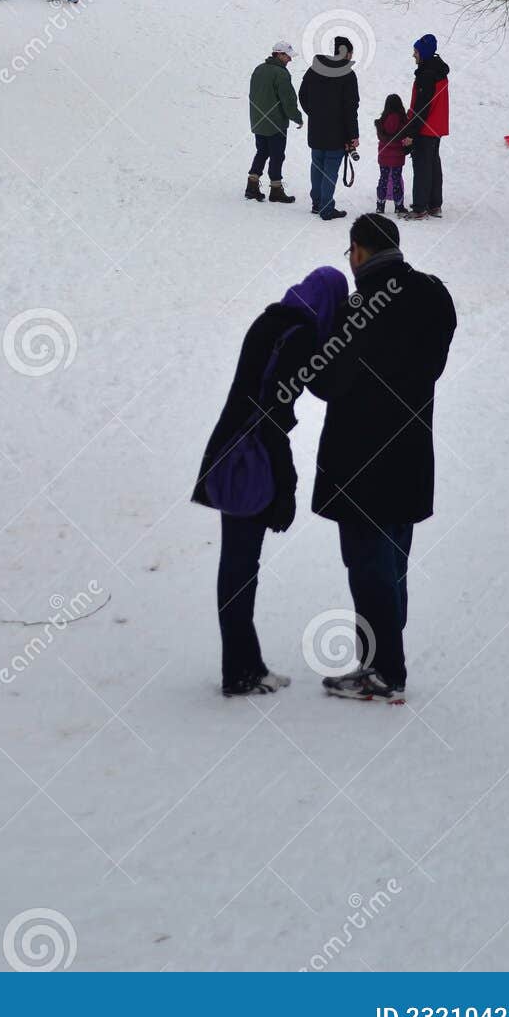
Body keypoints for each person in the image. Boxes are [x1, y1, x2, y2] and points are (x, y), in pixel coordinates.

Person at [307, 213, 457, 702]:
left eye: (350, 252)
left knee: (367, 565)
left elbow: (325, 381)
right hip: (410, 450)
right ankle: (385, 654)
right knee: (393, 560)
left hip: (361, 458)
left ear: (360, 251)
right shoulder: (434, 295)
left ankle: (383, 669)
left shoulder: (357, 308)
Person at [193, 267, 350, 696]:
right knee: (242, 567)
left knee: (237, 565)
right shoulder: (299, 336)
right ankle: (241, 672)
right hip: (252, 456)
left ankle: (245, 664)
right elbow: (288, 405)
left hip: (230, 446)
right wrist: (286, 484)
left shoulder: (269, 321)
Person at [298, 36, 360, 220]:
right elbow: (351, 108)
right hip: (337, 132)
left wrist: (314, 114)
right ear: (347, 53)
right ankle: (326, 208)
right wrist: (353, 135)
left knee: (317, 165)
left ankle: (317, 203)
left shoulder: (314, 70)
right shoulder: (347, 75)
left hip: (316, 129)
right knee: (330, 167)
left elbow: (302, 95)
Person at [247, 41, 303, 203]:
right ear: (278, 54)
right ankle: (276, 190)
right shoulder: (281, 74)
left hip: (258, 121)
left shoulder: (258, 69)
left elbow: (253, 95)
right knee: (277, 155)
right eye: (287, 56)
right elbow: (288, 100)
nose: (290, 60)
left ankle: (252, 185)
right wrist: (296, 117)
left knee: (262, 152)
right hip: (275, 123)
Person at [405, 34, 450, 218]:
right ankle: (434, 204)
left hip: (425, 127)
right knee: (433, 164)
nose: (413, 55)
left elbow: (421, 108)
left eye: (416, 51)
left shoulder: (426, 75)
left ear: (423, 53)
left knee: (422, 166)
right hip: (436, 127)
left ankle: (420, 208)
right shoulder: (438, 70)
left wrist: (411, 133)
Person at [375, 93, 410, 215]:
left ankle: (380, 205)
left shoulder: (382, 122)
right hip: (397, 157)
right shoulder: (403, 122)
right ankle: (399, 206)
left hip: (384, 156)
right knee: (396, 180)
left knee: (383, 179)